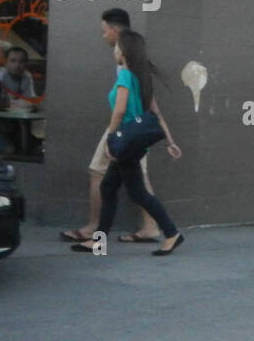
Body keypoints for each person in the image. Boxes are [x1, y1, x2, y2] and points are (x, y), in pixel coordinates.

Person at [72, 30, 184, 256]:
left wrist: (110, 138)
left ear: (123, 52)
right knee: (109, 187)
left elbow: (120, 109)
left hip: (125, 142)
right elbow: (157, 114)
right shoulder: (142, 77)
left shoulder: (125, 75)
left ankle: (171, 233)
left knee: (138, 193)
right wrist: (169, 141)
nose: (114, 51)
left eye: (116, 47)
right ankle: (99, 241)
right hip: (135, 143)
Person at [60, 9, 163, 244]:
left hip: (124, 128)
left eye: (104, 30)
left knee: (98, 172)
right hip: (135, 129)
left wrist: (112, 135)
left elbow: (120, 107)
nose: (103, 35)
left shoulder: (126, 61)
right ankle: (150, 227)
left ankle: (94, 230)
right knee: (137, 178)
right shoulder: (135, 55)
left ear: (115, 31)